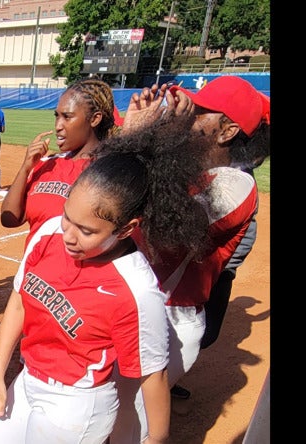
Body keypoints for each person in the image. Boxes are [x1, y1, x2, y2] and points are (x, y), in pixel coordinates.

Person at [0, 115, 214, 444]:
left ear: (126, 229)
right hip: (27, 380)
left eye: (87, 231)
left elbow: (152, 374)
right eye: (67, 217)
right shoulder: (49, 234)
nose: (69, 236)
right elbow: (19, 301)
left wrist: (156, 439)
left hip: (76, 404)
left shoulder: (136, 289)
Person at [109, 75, 271, 444]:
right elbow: (103, 197)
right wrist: (132, 135)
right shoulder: (187, 168)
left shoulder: (235, 184)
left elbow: (162, 228)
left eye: (199, 112)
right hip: (133, 303)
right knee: (102, 410)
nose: (186, 114)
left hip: (168, 321)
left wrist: (152, 138)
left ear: (227, 131)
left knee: (124, 424)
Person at [0, 78, 119, 251]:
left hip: (77, 276)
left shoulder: (107, 172)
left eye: (67, 117)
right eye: (57, 116)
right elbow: (9, 219)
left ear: (94, 119)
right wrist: (26, 168)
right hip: (35, 273)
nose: (58, 126)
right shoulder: (48, 164)